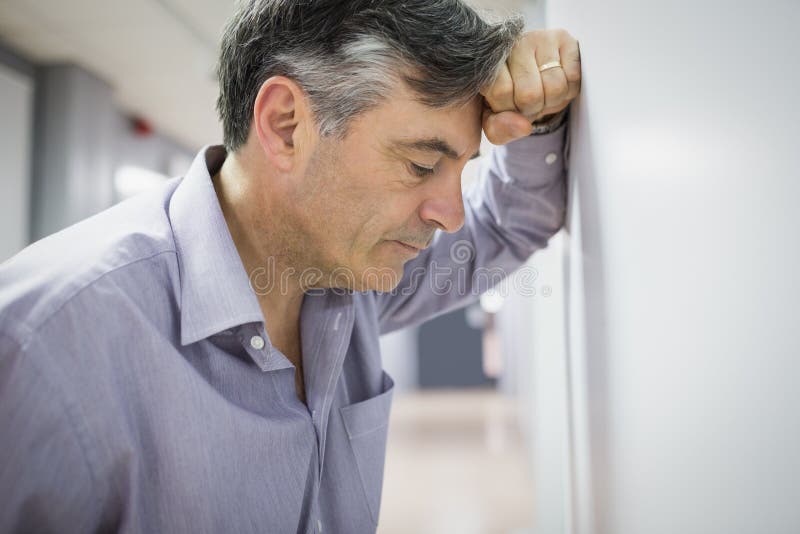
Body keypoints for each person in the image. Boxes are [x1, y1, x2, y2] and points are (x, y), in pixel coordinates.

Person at [0, 0, 581, 532]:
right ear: (285, 126)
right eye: (422, 164)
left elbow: (503, 225)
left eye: (460, 170)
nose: (450, 215)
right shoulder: (46, 342)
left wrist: (540, 113)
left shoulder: (346, 280)